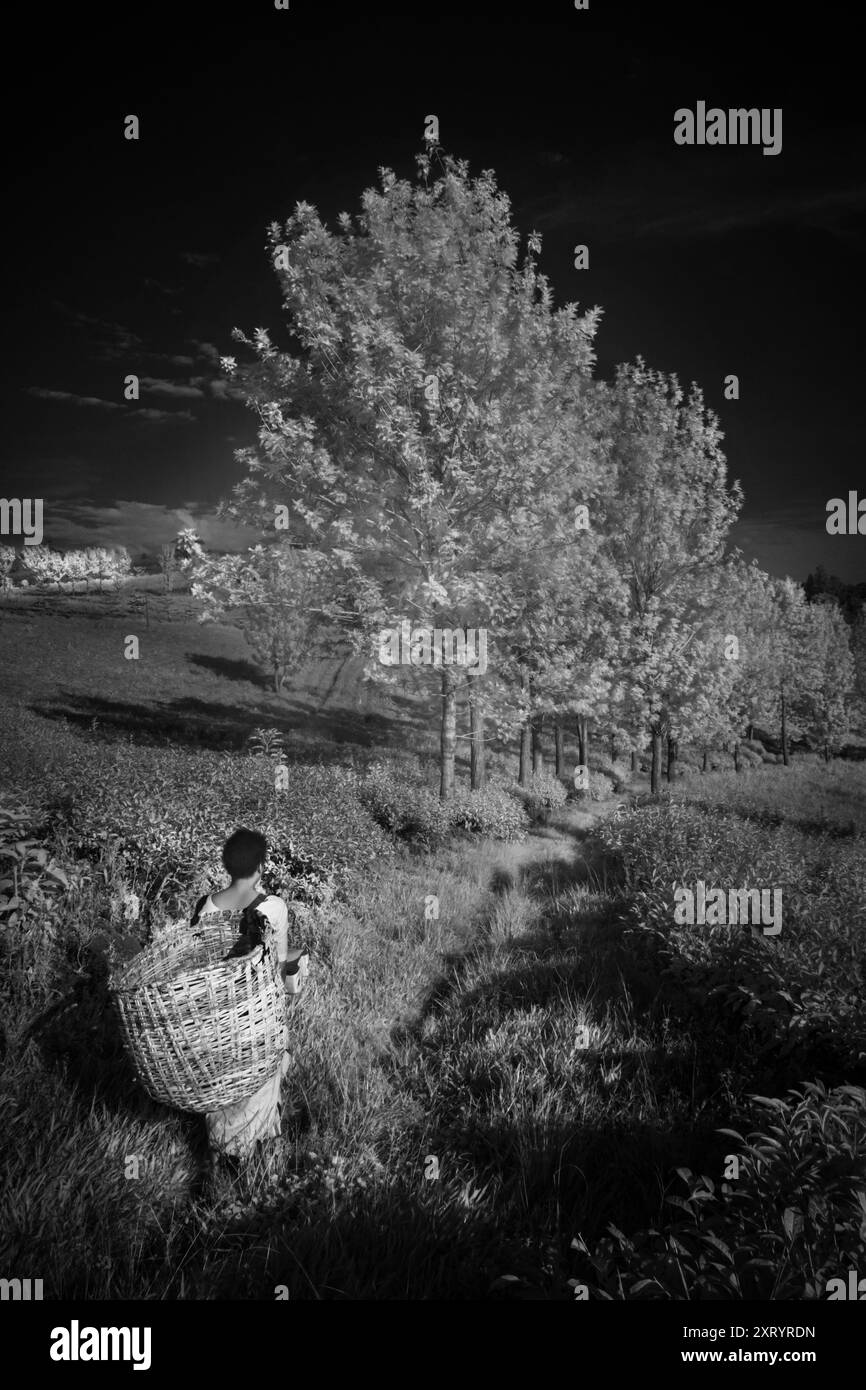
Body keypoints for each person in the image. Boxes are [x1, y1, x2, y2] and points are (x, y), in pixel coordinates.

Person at [192, 827, 301, 1160]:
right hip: (256, 1014)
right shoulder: (274, 907)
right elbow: (280, 964)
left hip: (215, 1014)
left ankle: (223, 1146)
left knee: (224, 1082)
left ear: (227, 866)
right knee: (261, 1075)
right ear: (261, 867)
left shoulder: (204, 906)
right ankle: (256, 1149)